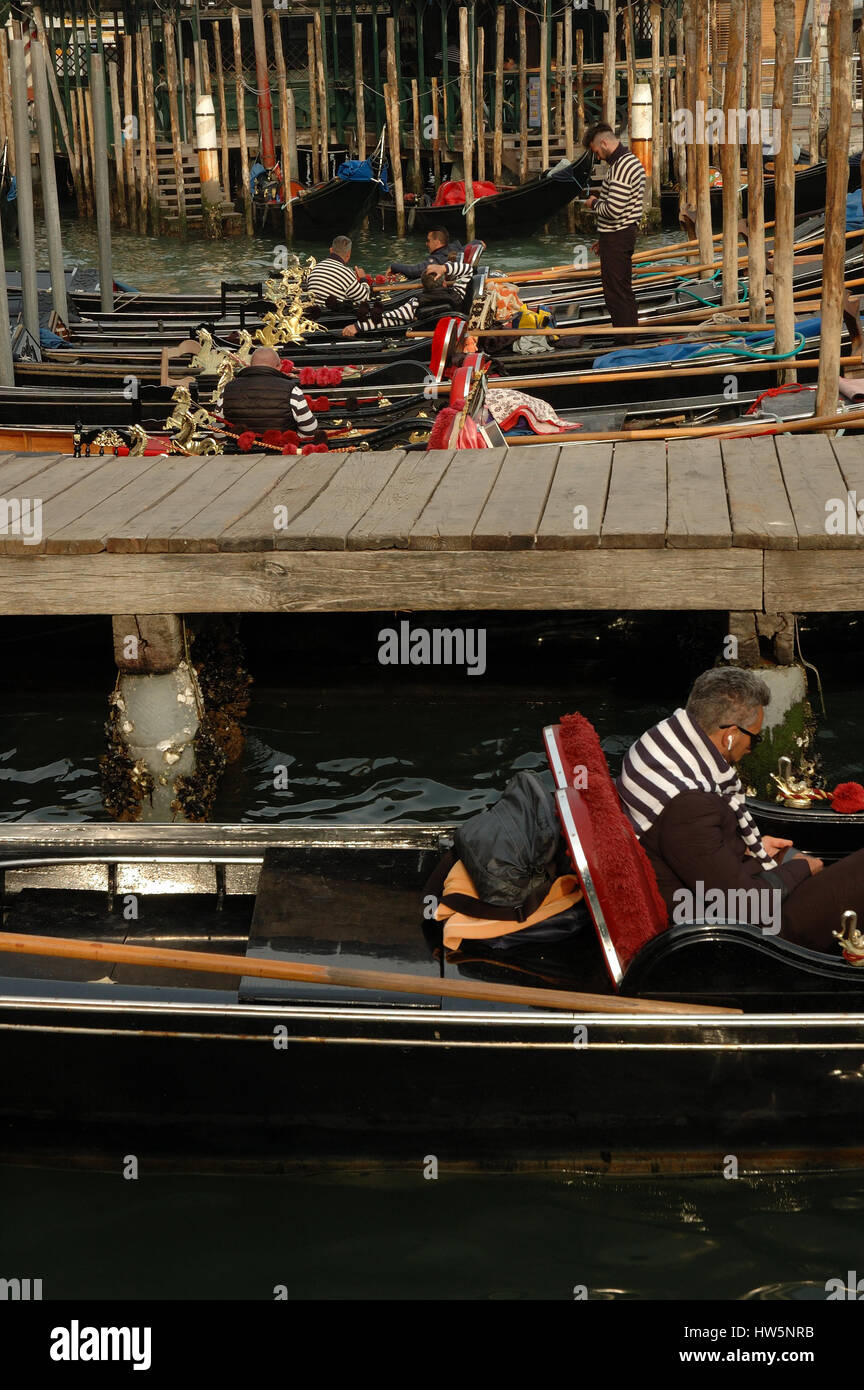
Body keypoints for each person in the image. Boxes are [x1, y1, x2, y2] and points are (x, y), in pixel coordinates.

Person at [616, 666, 864, 957]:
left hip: (731, 889)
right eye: (755, 739)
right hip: (758, 931)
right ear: (731, 736)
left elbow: (698, 851)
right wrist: (800, 870)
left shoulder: (661, 741)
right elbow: (742, 907)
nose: (752, 748)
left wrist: (745, 847)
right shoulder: (687, 805)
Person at [581, 121, 646, 329]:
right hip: (617, 236)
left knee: (616, 292)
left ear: (604, 143)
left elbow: (613, 210)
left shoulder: (622, 167)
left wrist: (593, 203)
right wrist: (603, 239)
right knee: (620, 288)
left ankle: (625, 339)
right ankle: (626, 335)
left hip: (619, 236)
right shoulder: (625, 163)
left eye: (596, 151)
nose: (597, 156)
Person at [341, 259, 472, 337]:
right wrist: (443, 268)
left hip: (424, 340)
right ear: (444, 282)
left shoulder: (414, 303)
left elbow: (388, 319)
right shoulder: (458, 294)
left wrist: (357, 327)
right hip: (456, 336)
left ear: (423, 286)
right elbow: (469, 270)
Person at [221, 346, 318, 437]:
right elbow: (309, 428)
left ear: (250, 365)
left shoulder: (228, 388)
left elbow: (218, 429)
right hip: (281, 452)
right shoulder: (291, 389)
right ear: (279, 367)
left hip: (238, 451)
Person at [306, 234, 372, 310]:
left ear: (331, 250)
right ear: (348, 255)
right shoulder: (346, 273)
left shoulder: (317, 268)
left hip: (313, 312)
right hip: (333, 316)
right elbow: (364, 298)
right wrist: (363, 279)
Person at [387, 227, 464, 281]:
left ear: (437, 242)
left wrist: (393, 266)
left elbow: (414, 271)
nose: (426, 244)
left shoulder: (438, 258)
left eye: (428, 241)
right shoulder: (454, 248)